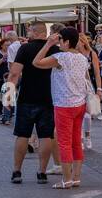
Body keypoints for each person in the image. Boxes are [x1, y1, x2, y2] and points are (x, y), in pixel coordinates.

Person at [32, 26, 93, 189]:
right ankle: (76, 177)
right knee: (75, 142)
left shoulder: (60, 57)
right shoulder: (82, 58)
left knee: (64, 143)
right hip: (80, 103)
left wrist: (47, 45)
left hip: (64, 105)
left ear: (66, 42)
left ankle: (66, 180)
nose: (58, 43)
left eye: (60, 41)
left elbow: (36, 62)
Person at [8, 21, 56, 184]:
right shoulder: (54, 49)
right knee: (45, 136)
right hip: (48, 98)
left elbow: (14, 73)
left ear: (36, 32)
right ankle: (42, 172)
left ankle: (17, 171)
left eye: (29, 30)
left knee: (22, 134)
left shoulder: (25, 48)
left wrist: (7, 95)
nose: (27, 32)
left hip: (27, 97)